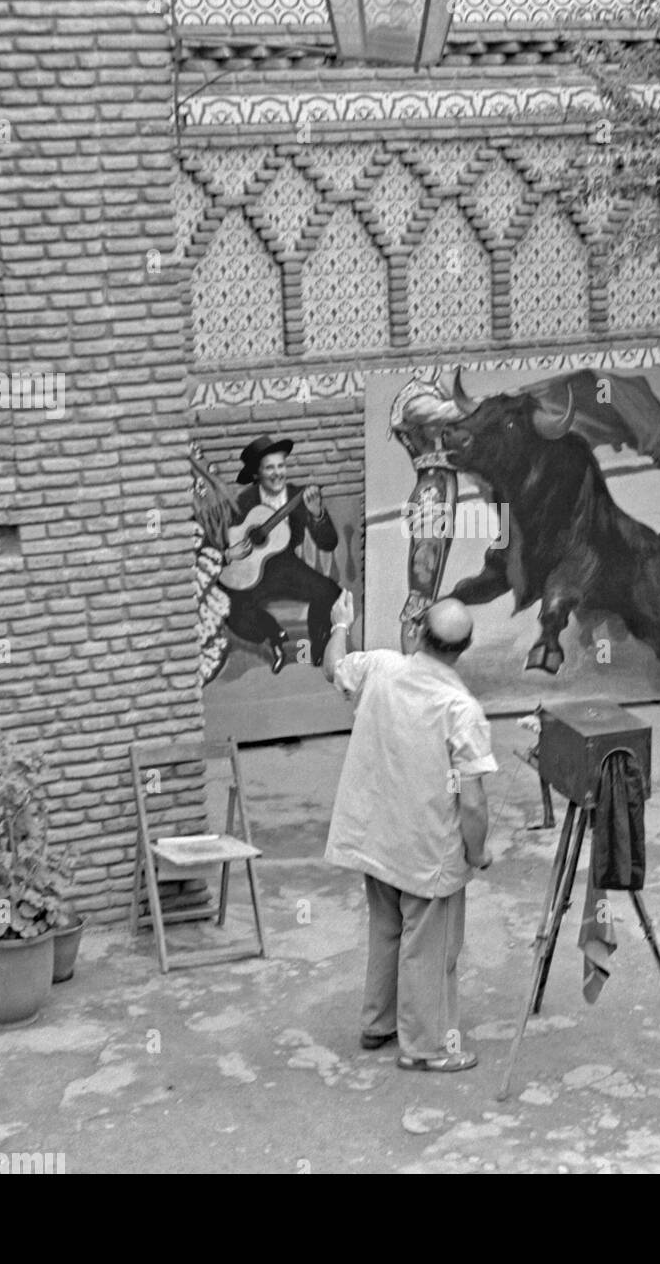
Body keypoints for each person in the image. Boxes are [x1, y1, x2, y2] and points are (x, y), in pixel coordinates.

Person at [322, 591, 496, 1072]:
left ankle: (378, 1023)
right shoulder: (461, 709)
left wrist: (341, 624)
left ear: (419, 631)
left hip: (375, 835)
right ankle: (428, 1046)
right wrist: (476, 853)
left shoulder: (380, 667)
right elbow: (474, 801)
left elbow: (332, 666)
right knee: (430, 945)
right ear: (464, 648)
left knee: (386, 930)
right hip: (426, 848)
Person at [221, 434, 341, 674]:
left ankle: (320, 649)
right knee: (231, 608)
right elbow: (229, 536)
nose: (277, 473)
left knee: (330, 592)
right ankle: (274, 636)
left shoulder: (300, 496)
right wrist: (230, 553)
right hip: (252, 572)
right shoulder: (245, 501)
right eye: (269, 468)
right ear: (256, 474)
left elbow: (329, 543)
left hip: (288, 567)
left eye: (281, 466)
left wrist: (317, 514)